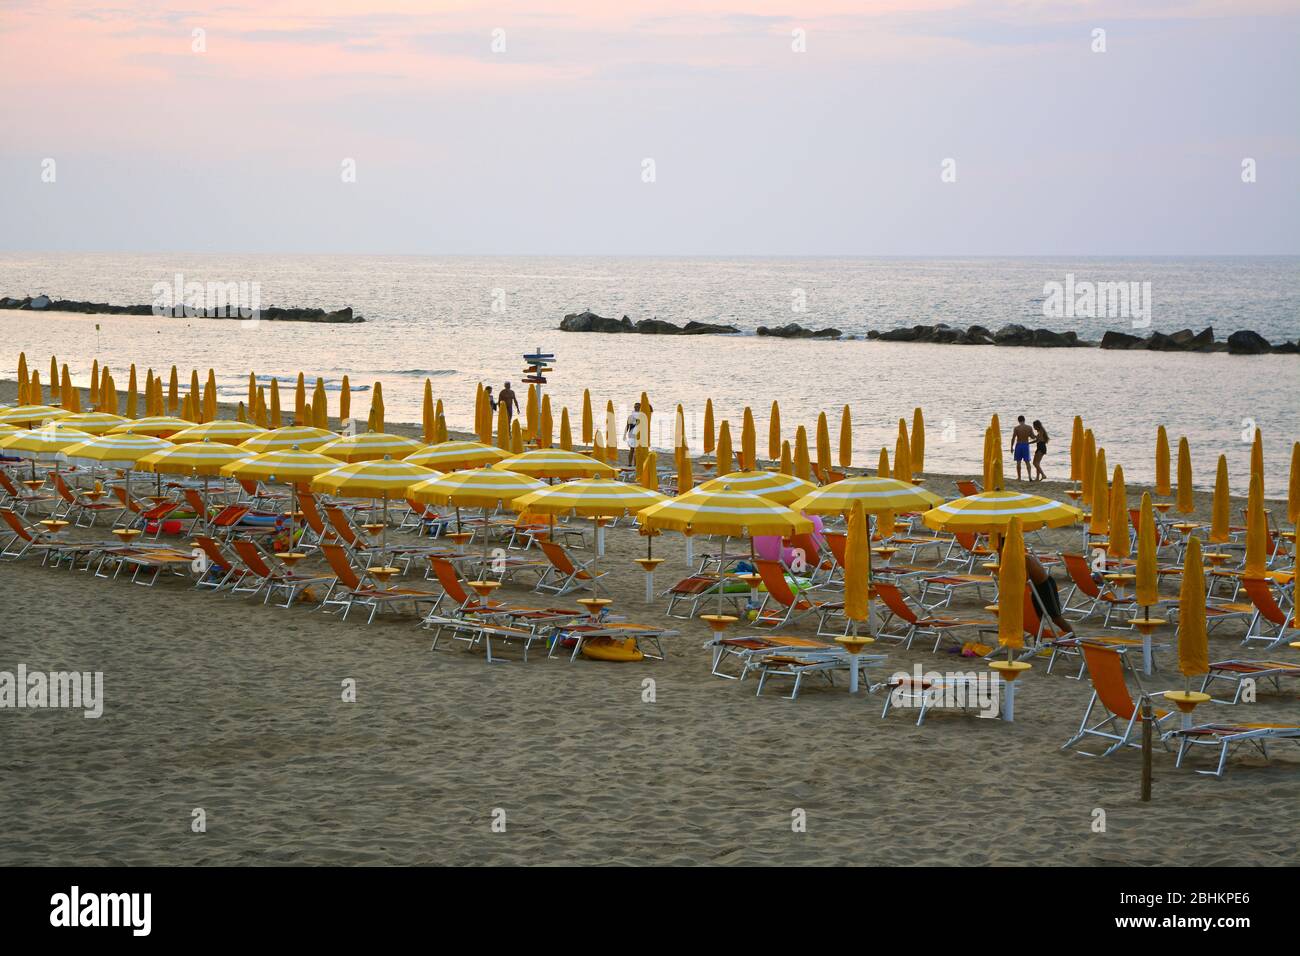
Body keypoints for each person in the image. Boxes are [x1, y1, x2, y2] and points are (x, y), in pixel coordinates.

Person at [1010, 415, 1035, 481]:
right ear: (1024, 420)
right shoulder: (1029, 427)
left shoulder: (1016, 428)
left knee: (1018, 462)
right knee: (1027, 462)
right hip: (1025, 445)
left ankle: (1019, 477)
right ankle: (1029, 477)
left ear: (1018, 421)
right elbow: (1033, 437)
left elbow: (1013, 438)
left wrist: (1011, 447)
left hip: (1019, 445)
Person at [624, 402, 643, 467]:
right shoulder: (631, 416)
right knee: (632, 449)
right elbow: (627, 426)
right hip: (632, 434)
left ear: (640, 408)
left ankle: (635, 464)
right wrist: (625, 434)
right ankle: (630, 464)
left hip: (639, 434)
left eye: (638, 407)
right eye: (635, 407)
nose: (636, 408)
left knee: (637, 450)